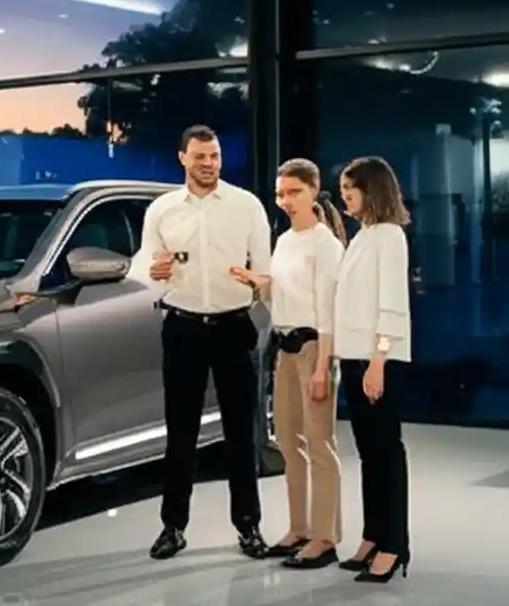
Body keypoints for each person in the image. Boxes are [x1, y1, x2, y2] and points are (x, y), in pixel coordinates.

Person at [132, 124, 273, 560]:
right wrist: (149, 273)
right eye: (200, 156)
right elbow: (143, 264)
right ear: (183, 159)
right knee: (181, 434)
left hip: (234, 327)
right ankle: (172, 527)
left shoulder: (246, 206)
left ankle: (248, 528)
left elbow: (265, 272)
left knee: (240, 434)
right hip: (182, 328)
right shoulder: (162, 210)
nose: (208, 163)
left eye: (213, 155)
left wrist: (257, 284)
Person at [230, 158, 347, 569]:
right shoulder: (283, 242)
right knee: (290, 444)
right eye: (280, 193)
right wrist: (258, 285)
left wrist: (321, 368)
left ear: (314, 191)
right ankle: (299, 528)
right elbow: (283, 297)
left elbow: (329, 311)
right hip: (283, 347)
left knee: (320, 445)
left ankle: (326, 536)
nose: (285, 200)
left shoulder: (326, 245)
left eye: (294, 192)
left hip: (314, 348)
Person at [332, 156, 413, 583]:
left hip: (378, 360)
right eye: (343, 186)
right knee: (368, 455)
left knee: (385, 452)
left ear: (373, 189)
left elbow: (391, 306)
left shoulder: (389, 237)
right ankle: (373, 535)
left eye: (352, 187)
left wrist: (378, 360)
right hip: (355, 358)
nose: (345, 194)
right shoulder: (361, 236)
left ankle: (395, 544)